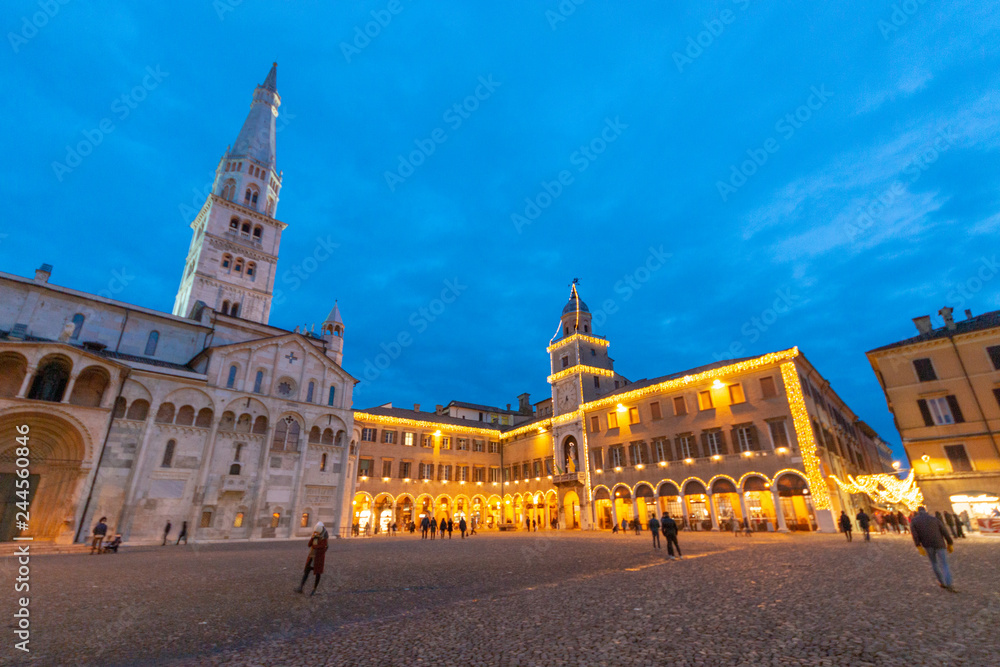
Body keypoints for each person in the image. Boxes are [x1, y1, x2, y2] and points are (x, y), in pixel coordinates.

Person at [910, 506, 954, 591]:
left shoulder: (914, 521)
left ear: (918, 512)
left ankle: (942, 582)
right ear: (925, 511)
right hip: (940, 543)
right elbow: (944, 531)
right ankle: (949, 583)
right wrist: (949, 543)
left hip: (927, 545)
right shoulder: (934, 519)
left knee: (934, 563)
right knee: (944, 564)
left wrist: (918, 545)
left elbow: (915, 535)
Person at [295, 522, 329, 596]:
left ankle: (314, 589)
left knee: (317, 574)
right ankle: (301, 587)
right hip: (311, 556)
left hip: (318, 559)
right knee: (306, 571)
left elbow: (322, 547)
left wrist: (315, 546)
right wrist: (313, 537)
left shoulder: (324, 538)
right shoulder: (315, 535)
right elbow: (309, 544)